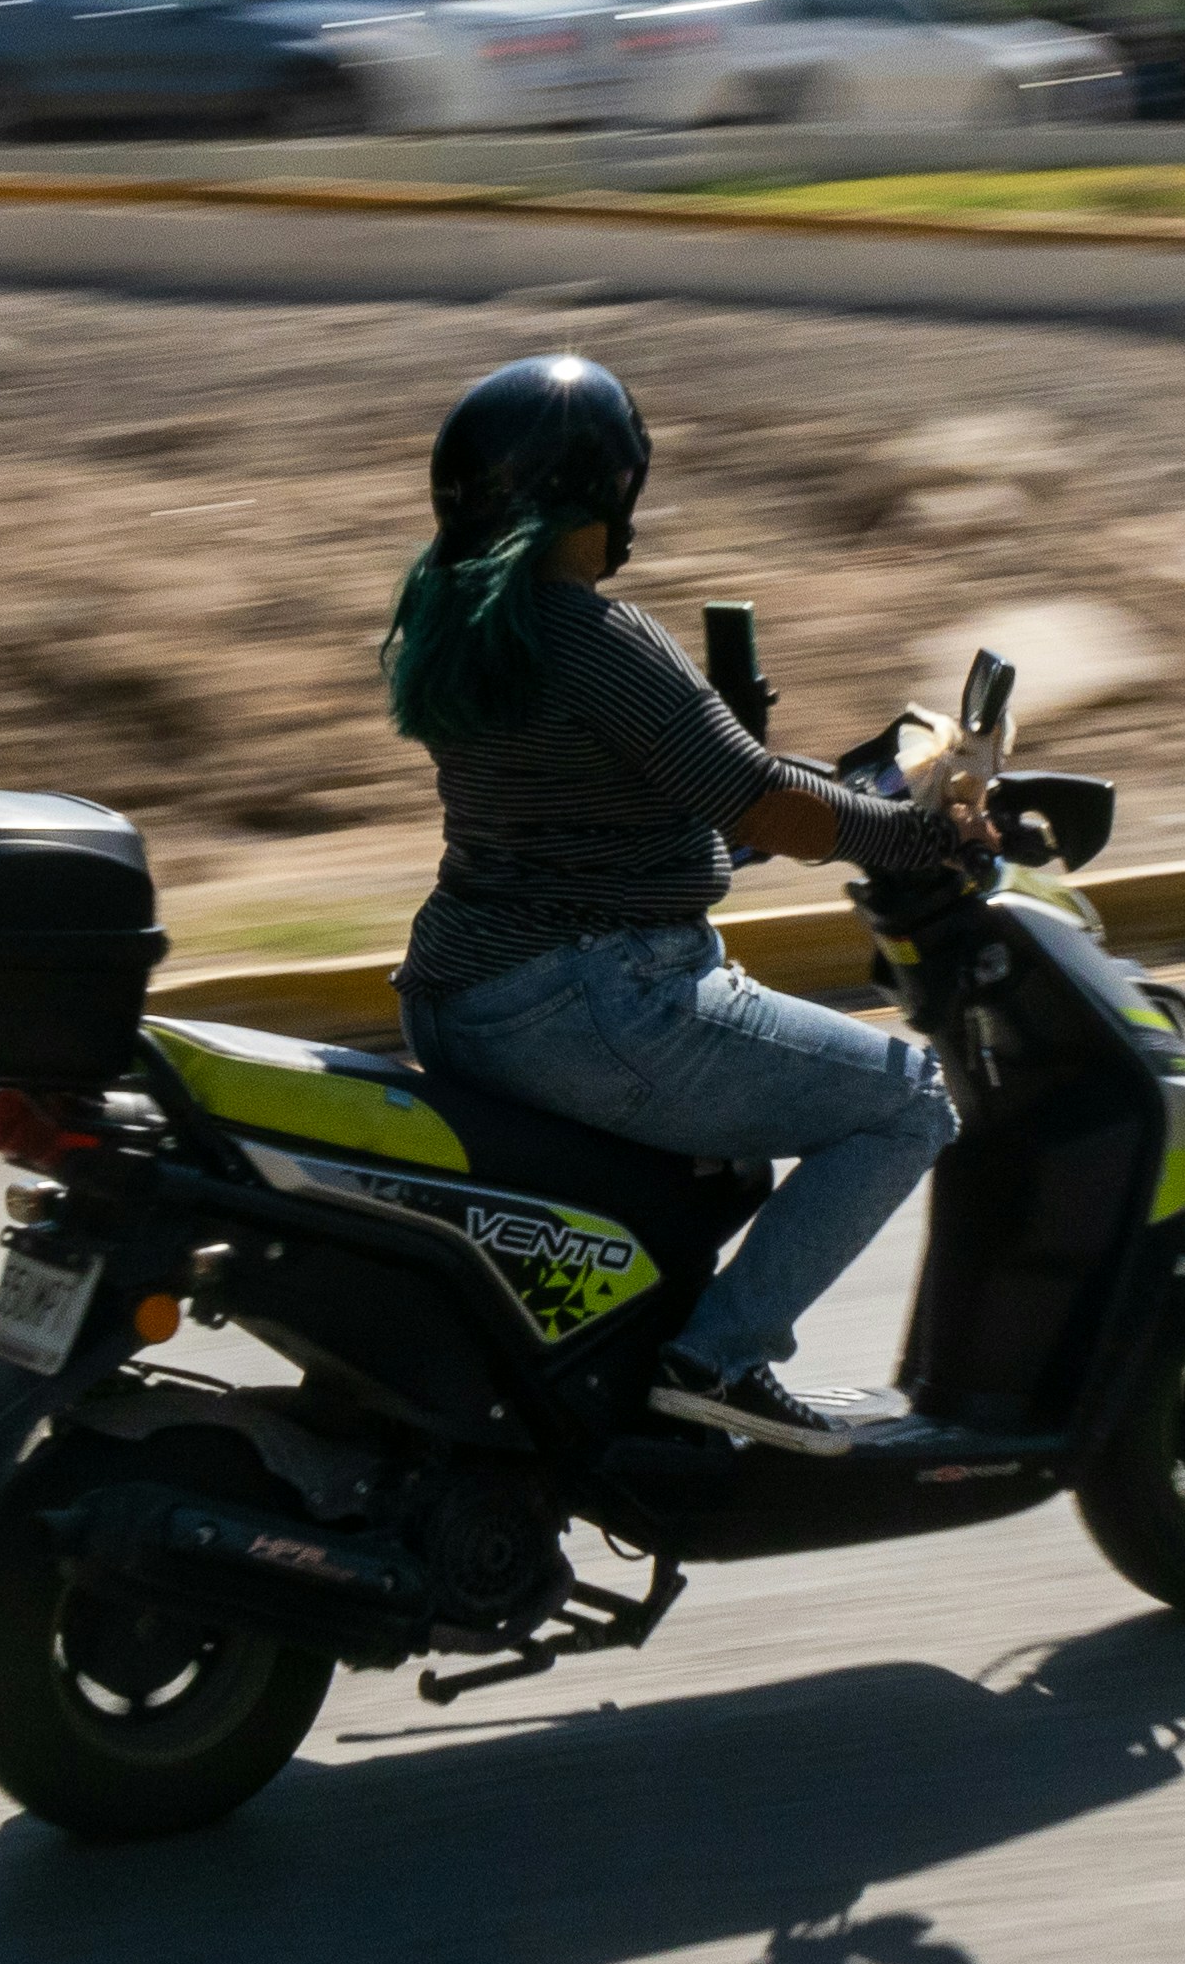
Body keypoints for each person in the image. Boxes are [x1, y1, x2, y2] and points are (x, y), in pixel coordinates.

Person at [381, 353, 967, 1457]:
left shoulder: (465, 634)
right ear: (605, 490)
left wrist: (739, 801)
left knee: (722, 1159)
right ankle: (718, 1359)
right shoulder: (596, 637)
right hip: (599, 1004)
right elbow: (762, 802)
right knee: (910, 1100)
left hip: (463, 1000)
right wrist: (919, 833)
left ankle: (619, 1362)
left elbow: (601, 812)